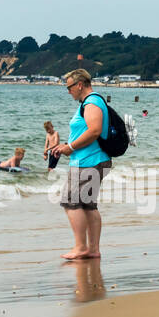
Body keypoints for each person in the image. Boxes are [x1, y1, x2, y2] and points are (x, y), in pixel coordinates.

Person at [51, 69, 110, 260]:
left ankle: (81, 247)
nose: (68, 91)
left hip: (88, 161)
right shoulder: (91, 102)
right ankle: (93, 249)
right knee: (88, 206)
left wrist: (70, 147)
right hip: (94, 159)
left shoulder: (92, 102)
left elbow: (94, 131)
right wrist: (66, 146)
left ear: (79, 85)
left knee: (71, 202)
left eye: (69, 87)